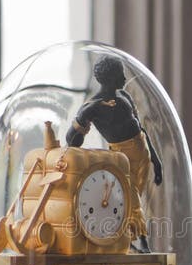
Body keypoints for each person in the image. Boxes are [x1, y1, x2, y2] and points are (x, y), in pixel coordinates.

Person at [66, 56, 162, 252]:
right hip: (122, 159)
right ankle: (143, 242)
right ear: (109, 78)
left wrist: (155, 160)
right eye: (120, 75)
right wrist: (84, 117)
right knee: (132, 199)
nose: (125, 79)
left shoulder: (124, 97)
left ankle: (128, 238)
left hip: (142, 154)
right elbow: (71, 140)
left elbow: (141, 129)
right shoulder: (93, 107)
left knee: (133, 198)